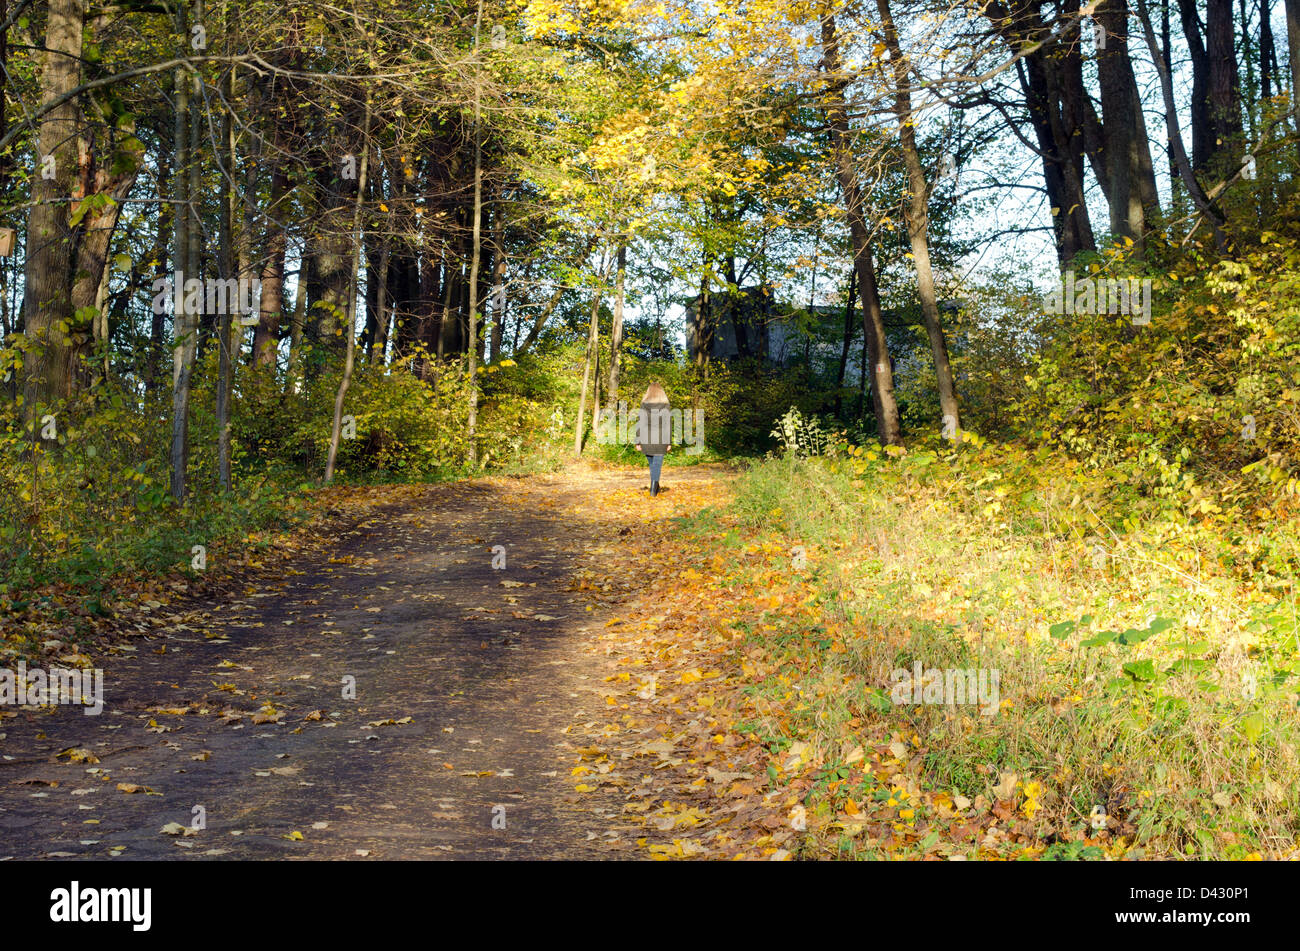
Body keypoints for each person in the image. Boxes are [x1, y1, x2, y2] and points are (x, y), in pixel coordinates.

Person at [634, 381, 671, 496]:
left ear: (649, 392)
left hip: (646, 438)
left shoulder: (644, 404)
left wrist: (638, 441)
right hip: (660, 438)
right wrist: (668, 442)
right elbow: (667, 424)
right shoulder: (665, 405)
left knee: (652, 464)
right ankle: (653, 491)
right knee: (656, 465)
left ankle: (655, 487)